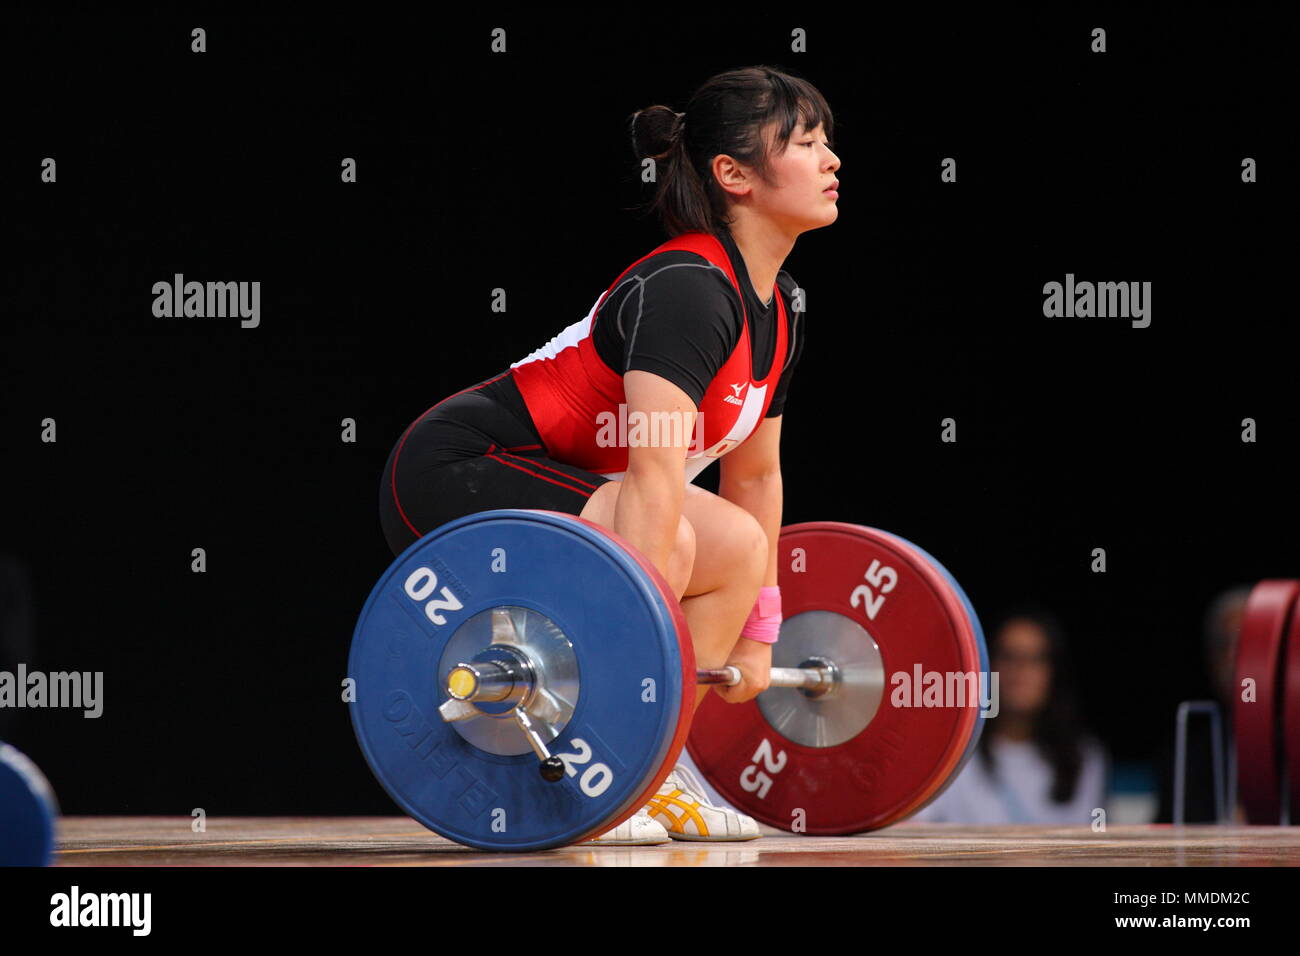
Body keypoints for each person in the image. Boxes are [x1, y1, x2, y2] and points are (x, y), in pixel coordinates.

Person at [378, 66, 840, 844]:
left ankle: (651, 770)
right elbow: (654, 482)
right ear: (733, 175)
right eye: (806, 142)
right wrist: (629, 654)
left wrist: (761, 630)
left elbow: (756, 476)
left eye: (829, 141)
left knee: (736, 546)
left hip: (579, 485)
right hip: (451, 473)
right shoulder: (690, 288)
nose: (832, 159)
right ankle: (593, 766)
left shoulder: (782, 307)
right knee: (681, 539)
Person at [912, 609, 1109, 825]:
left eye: (1036, 659)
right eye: (1008, 656)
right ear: (986, 666)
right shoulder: (952, 757)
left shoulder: (1085, 758)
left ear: (1055, 673)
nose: (1020, 669)